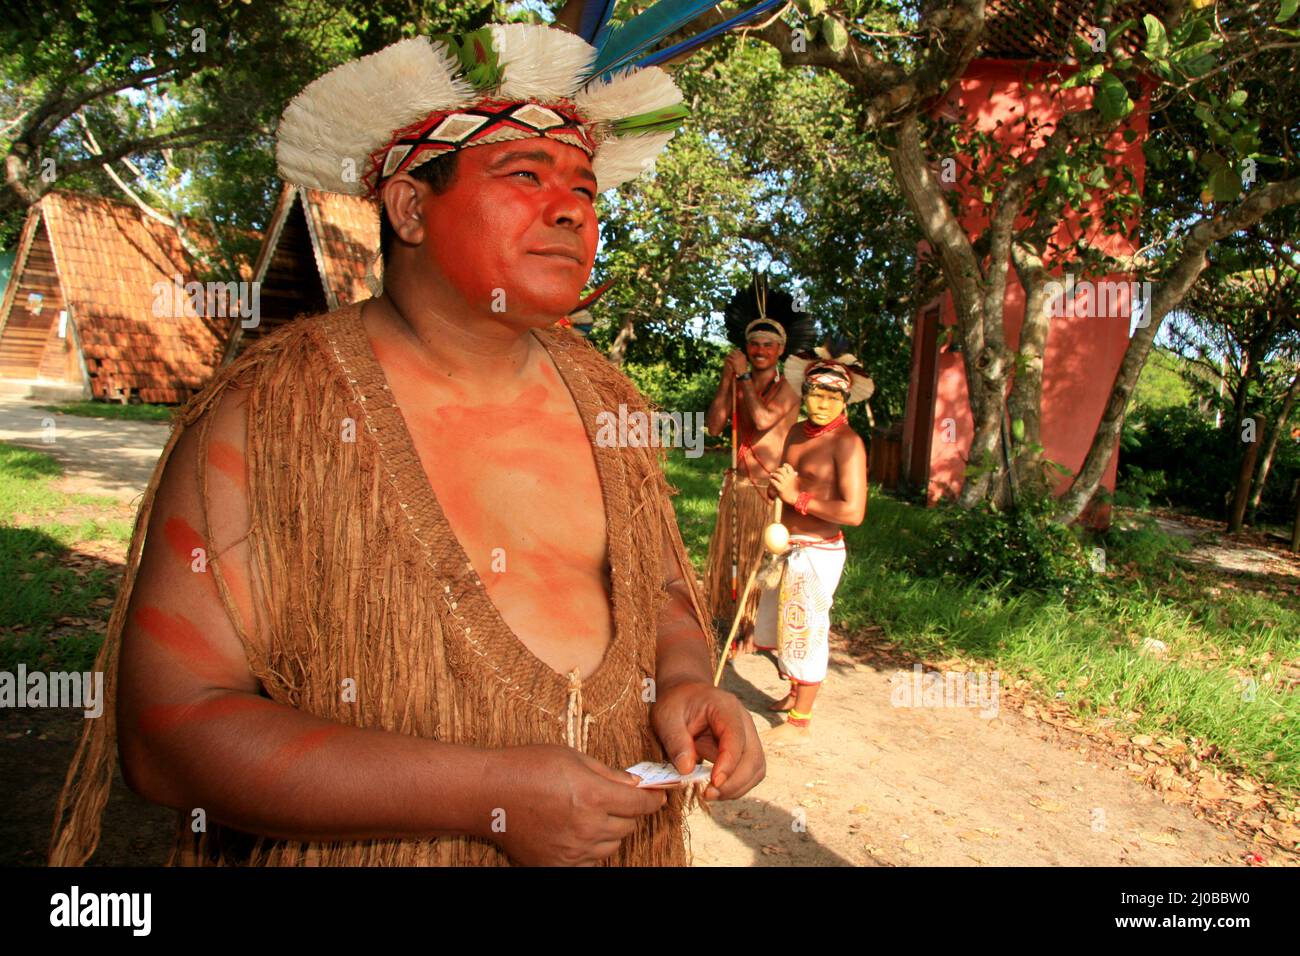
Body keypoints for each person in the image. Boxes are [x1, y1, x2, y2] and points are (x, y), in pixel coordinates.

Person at [49, 18, 768, 869]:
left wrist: (685, 680)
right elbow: (168, 734)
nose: (573, 207)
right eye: (526, 174)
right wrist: (485, 795)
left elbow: (661, 590)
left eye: (585, 187)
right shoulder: (268, 418)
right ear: (411, 208)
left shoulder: (612, 405)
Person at [753, 347, 872, 745]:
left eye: (832, 397)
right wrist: (777, 487)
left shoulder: (848, 443)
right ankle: (793, 692)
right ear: (804, 394)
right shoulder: (796, 432)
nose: (822, 404)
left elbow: (853, 512)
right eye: (816, 395)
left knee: (806, 630)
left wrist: (797, 499)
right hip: (786, 545)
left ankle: (801, 718)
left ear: (845, 400)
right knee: (783, 625)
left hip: (818, 552)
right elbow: (788, 480)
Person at [703, 282, 813, 656]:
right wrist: (726, 380)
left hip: (768, 492)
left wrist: (744, 379)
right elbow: (714, 426)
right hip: (738, 486)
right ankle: (731, 621)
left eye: (768, 345)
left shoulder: (790, 388)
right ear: (746, 348)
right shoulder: (739, 382)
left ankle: (754, 628)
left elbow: (764, 420)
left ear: (780, 350)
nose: (760, 350)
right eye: (754, 344)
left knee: (760, 561)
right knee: (732, 558)